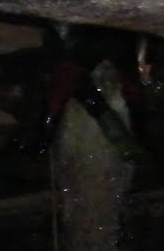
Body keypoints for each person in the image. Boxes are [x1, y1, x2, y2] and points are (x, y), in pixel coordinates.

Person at [25, 23, 150, 158]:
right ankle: (136, 141)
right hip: (92, 42)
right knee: (87, 96)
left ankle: (139, 139)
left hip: (94, 41)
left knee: (72, 91)